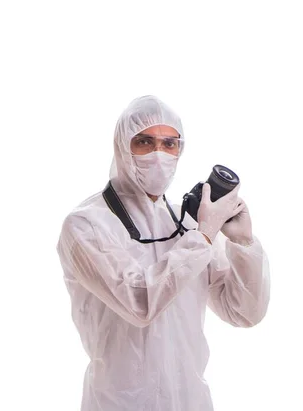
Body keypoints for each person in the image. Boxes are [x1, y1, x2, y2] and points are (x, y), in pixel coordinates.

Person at [56, 95, 270, 411]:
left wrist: (243, 244)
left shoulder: (187, 224)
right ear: (122, 147)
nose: (159, 155)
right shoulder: (86, 225)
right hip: (118, 403)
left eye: (170, 144)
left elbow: (242, 312)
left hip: (190, 401)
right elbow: (139, 302)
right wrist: (203, 238)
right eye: (145, 142)